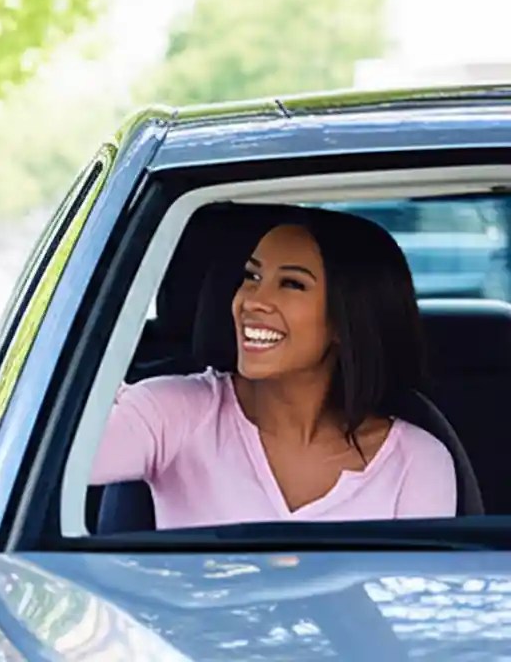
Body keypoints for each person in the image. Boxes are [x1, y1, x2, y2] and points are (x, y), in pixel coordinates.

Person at [91, 208, 457, 528]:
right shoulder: (172, 412)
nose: (253, 301)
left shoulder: (417, 462)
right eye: (251, 277)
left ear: (346, 321)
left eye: (291, 284)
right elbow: (64, 455)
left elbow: (417, 584)